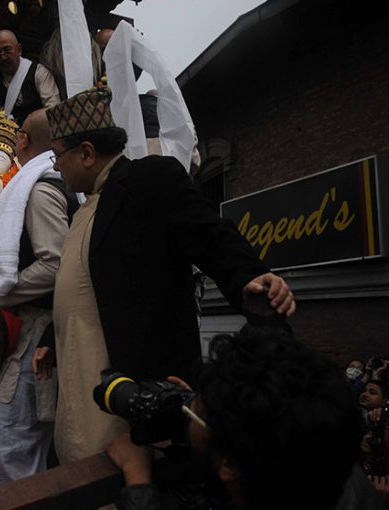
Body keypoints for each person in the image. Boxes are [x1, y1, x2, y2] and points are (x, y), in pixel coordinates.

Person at [44, 86, 296, 465]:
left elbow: (210, 234)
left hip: (135, 390)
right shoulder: (83, 209)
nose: (55, 166)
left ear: (87, 153)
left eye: (58, 155)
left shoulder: (147, 180)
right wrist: (50, 336)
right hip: (79, 386)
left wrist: (248, 276)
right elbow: (85, 287)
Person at [105, 324, 382, 510]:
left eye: (197, 409)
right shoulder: (328, 463)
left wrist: (138, 481)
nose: (190, 406)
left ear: (229, 463)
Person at [0, 108, 74, 485]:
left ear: (22, 141)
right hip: (41, 331)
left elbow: (55, 263)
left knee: (3, 445)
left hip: (41, 334)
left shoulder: (41, 188)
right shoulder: (51, 182)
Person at [0, 30, 60, 125]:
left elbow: (53, 109)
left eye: (7, 50)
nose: (3, 57)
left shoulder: (38, 72)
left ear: (19, 49)